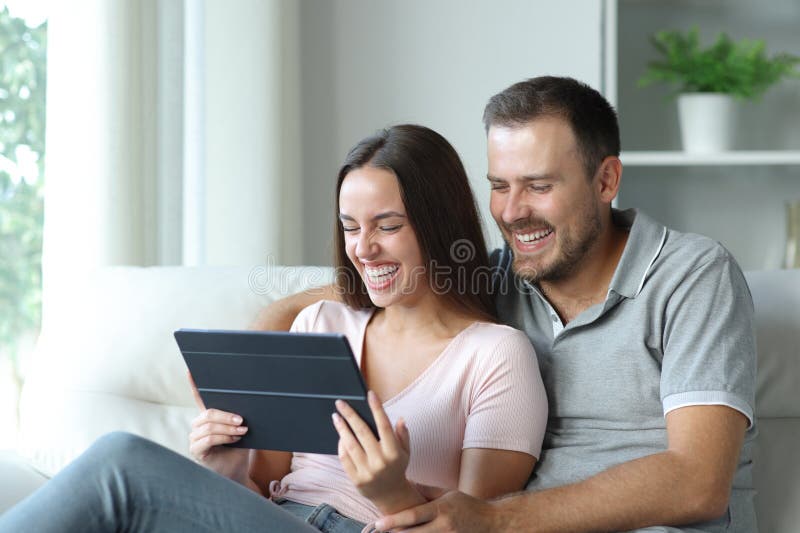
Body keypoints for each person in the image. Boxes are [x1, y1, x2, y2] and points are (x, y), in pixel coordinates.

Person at [265, 77, 757, 533]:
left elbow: (699, 482)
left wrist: (493, 520)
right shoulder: (500, 273)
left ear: (606, 181)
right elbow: (374, 280)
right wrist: (246, 351)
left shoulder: (692, 275)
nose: (512, 212)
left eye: (539, 187)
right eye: (500, 186)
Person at [0, 124, 548, 533]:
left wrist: (391, 493)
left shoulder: (496, 355)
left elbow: (480, 527)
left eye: (388, 225)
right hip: (275, 519)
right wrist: (228, 469)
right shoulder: (320, 324)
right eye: (351, 227)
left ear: (439, 224)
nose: (363, 248)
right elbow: (261, 489)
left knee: (120, 463)